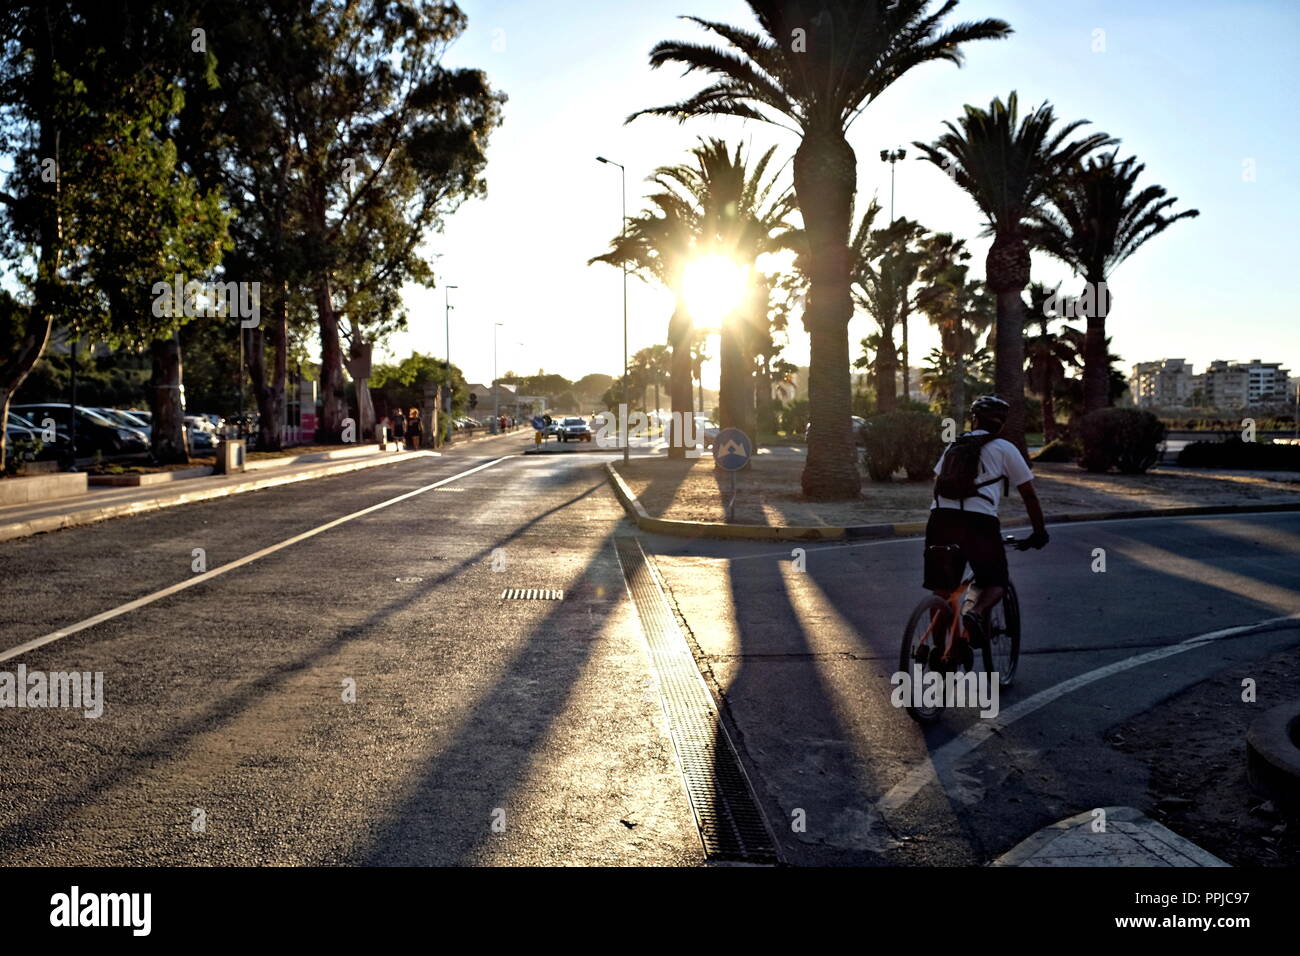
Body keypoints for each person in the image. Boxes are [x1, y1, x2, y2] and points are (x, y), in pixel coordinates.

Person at [923, 395, 1049, 654]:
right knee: (996, 582)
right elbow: (1029, 494)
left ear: (974, 419)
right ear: (1001, 424)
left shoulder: (953, 446)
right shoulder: (1004, 447)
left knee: (942, 590)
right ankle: (976, 613)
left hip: (940, 519)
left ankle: (939, 653)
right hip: (979, 522)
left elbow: (937, 482)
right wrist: (1039, 532)